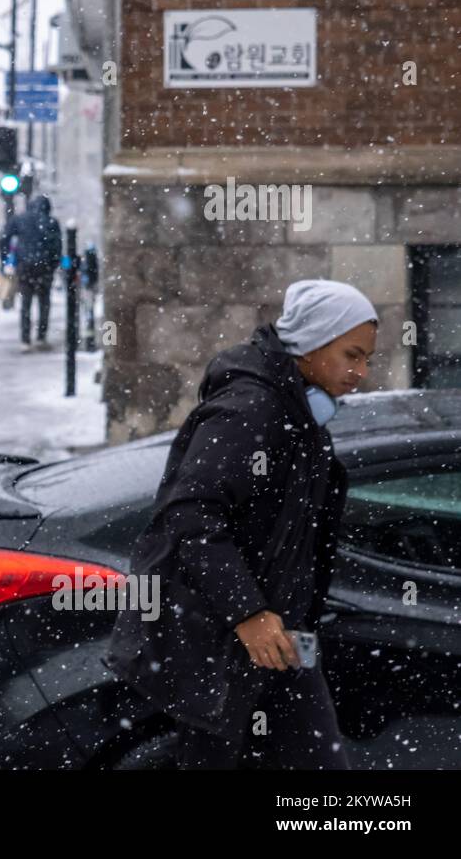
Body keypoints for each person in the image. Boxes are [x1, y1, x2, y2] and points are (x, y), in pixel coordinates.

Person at [107, 279, 378, 769]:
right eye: (351, 355)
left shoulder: (299, 415)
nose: (360, 372)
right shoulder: (252, 410)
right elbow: (190, 513)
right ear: (311, 344)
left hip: (279, 643)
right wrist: (247, 614)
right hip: (222, 640)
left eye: (367, 360)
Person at [0, 194, 61, 351]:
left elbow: (4, 238)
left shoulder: (20, 219)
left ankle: (25, 340)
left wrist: (6, 258)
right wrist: (53, 265)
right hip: (44, 267)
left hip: (25, 266)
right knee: (44, 302)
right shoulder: (52, 222)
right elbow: (57, 247)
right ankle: (41, 337)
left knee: (26, 303)